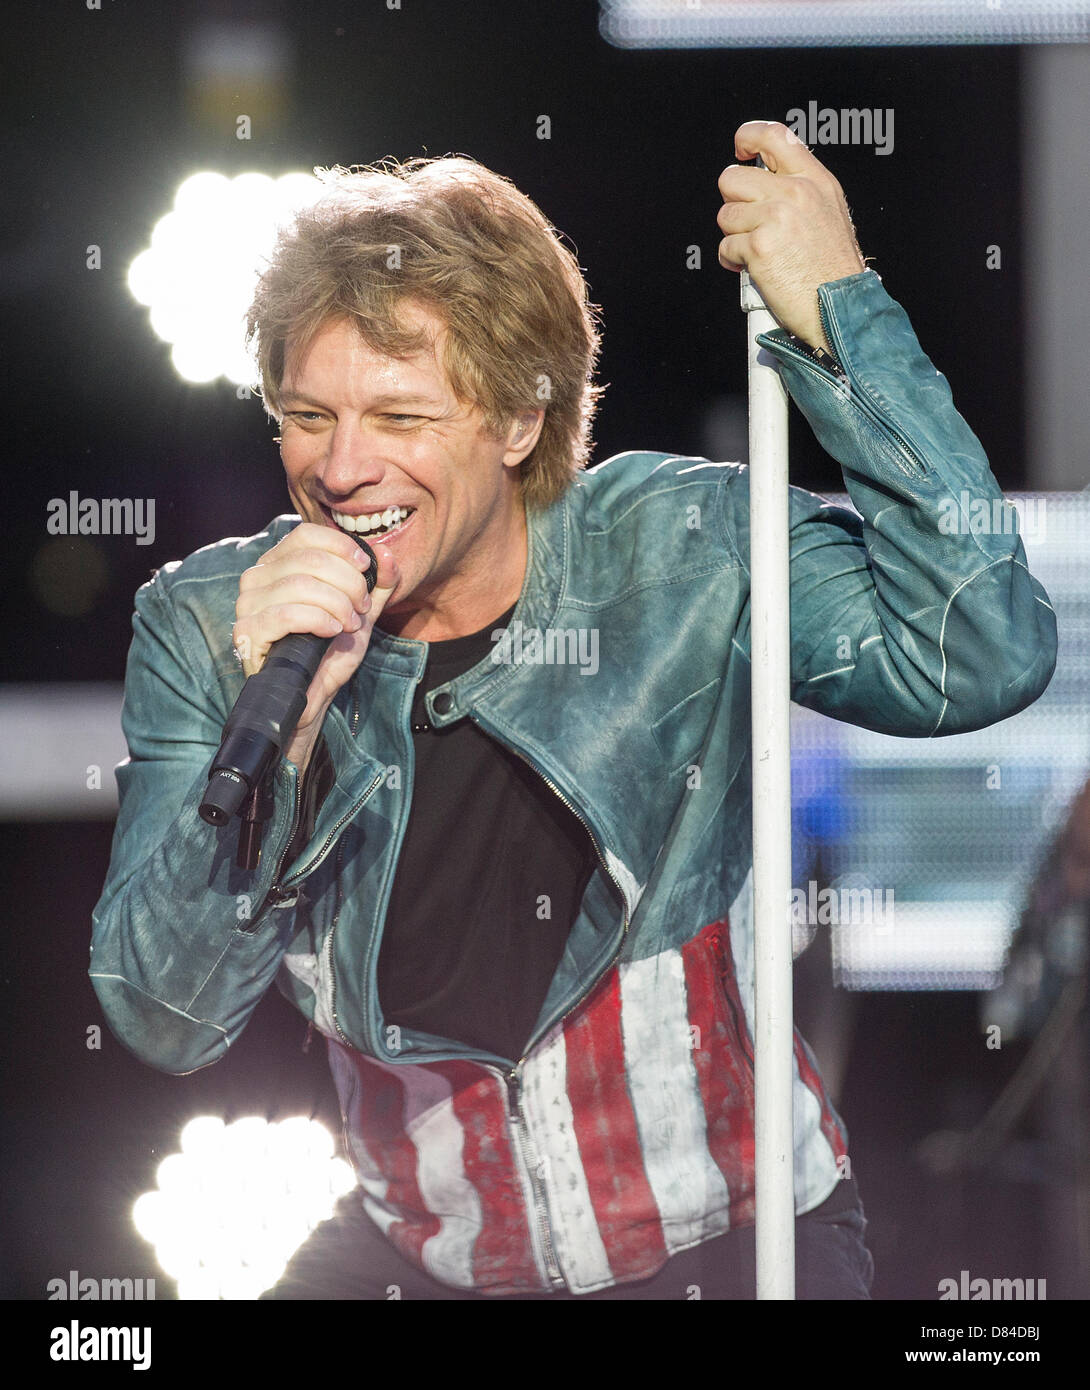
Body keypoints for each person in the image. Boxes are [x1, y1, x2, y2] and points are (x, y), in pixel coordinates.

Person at [90, 121, 1057, 1299]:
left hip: (729, 1241)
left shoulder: (679, 550)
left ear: (517, 420)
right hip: (423, 1259)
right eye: (306, 415)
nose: (340, 469)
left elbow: (982, 651)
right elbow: (163, 1017)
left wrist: (840, 315)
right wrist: (283, 738)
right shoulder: (209, 626)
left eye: (399, 419)